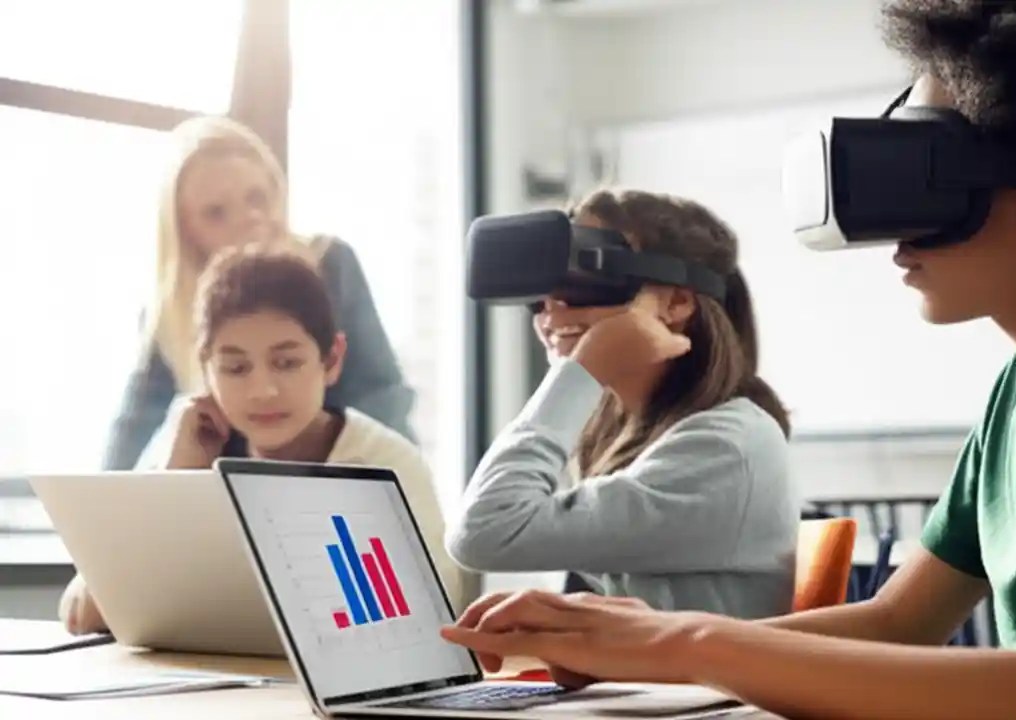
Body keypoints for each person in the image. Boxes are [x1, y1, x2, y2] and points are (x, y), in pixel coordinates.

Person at [439, 2, 1016, 718]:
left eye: (926, 174)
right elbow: (894, 622)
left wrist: (679, 638)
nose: (894, 232)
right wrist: (630, 646)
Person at [61, 246, 465, 635]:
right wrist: (177, 479)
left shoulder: (386, 463)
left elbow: (435, 620)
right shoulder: (190, 441)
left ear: (332, 359)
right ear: (206, 368)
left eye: (287, 363)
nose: (262, 390)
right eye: (235, 368)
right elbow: (81, 611)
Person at [445, 189, 801, 619]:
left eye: (582, 282)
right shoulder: (626, 434)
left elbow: (483, 533)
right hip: (659, 685)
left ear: (677, 301)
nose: (552, 310)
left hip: (717, 689)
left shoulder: (726, 446)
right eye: (539, 295)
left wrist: (580, 373)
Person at [102, 115, 414, 471]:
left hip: (335, 484)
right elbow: (132, 433)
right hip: (228, 501)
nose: (249, 219)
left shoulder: (330, 264)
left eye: (257, 198)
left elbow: (381, 396)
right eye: (216, 213)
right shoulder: (173, 305)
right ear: (186, 232)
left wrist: (378, 486)